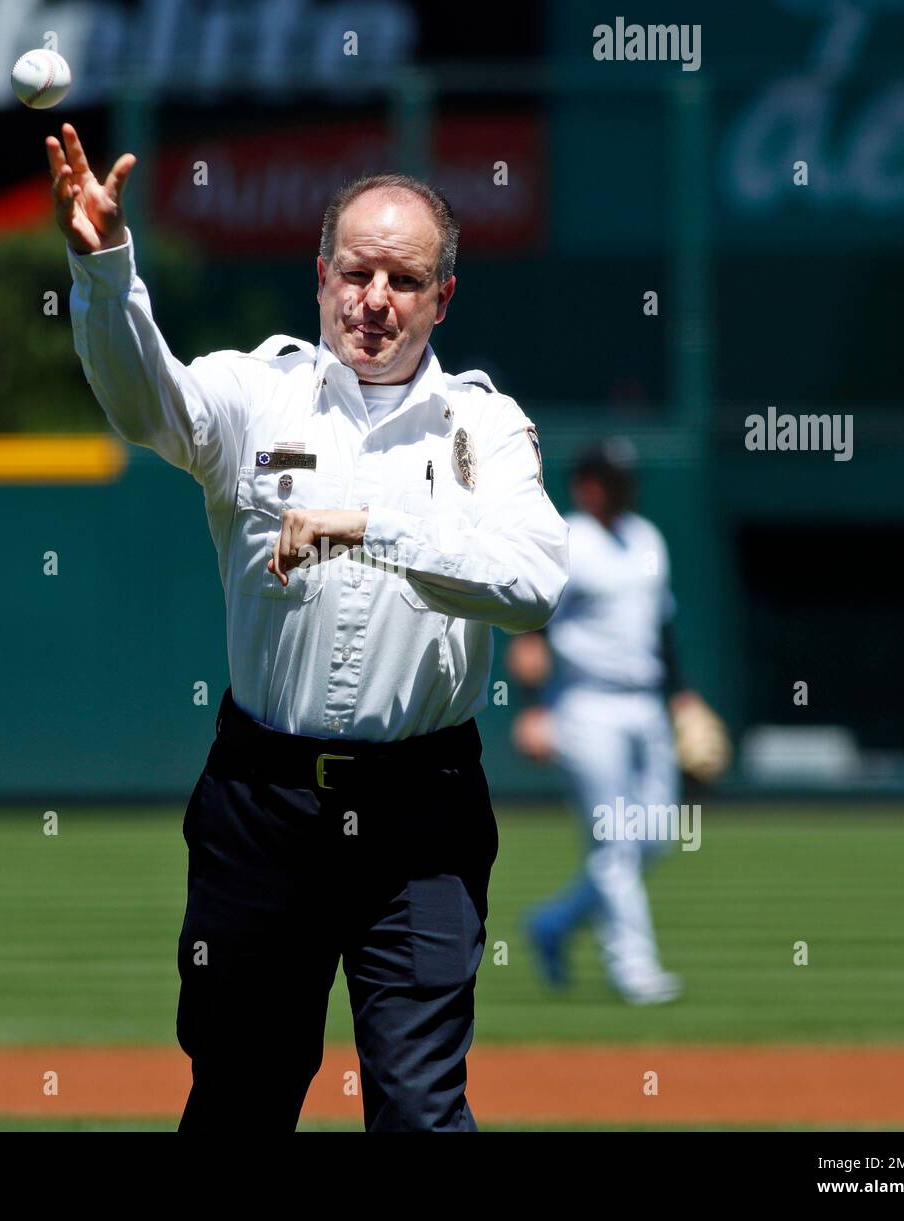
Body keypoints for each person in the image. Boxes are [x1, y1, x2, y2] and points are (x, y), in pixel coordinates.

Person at [47, 124, 569, 1130]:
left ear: (441, 298)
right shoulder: (257, 388)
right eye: (358, 271)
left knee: (419, 1110)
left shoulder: (482, 428)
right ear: (321, 272)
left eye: (404, 280)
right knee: (239, 1098)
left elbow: (534, 580)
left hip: (423, 812)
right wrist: (106, 271)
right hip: (262, 805)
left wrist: (371, 527)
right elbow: (144, 403)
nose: (375, 298)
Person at [507, 438, 722, 1006]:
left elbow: (664, 626)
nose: (622, 488)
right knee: (614, 844)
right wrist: (532, 709)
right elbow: (531, 628)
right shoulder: (569, 540)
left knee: (654, 837)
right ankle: (634, 969)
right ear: (585, 484)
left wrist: (683, 699)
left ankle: (552, 924)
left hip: (647, 704)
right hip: (585, 706)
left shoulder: (646, 538)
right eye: (610, 479)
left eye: (626, 479)